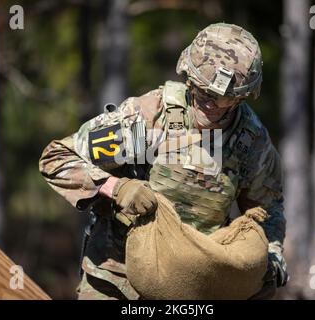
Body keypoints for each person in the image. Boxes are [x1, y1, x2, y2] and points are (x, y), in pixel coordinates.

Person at [39, 22, 288, 300]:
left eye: (224, 98)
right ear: (189, 78)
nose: (211, 103)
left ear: (241, 97)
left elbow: (268, 209)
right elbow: (57, 158)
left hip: (193, 285)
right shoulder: (149, 117)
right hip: (119, 279)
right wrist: (114, 187)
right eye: (204, 92)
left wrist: (271, 256)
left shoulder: (250, 141)